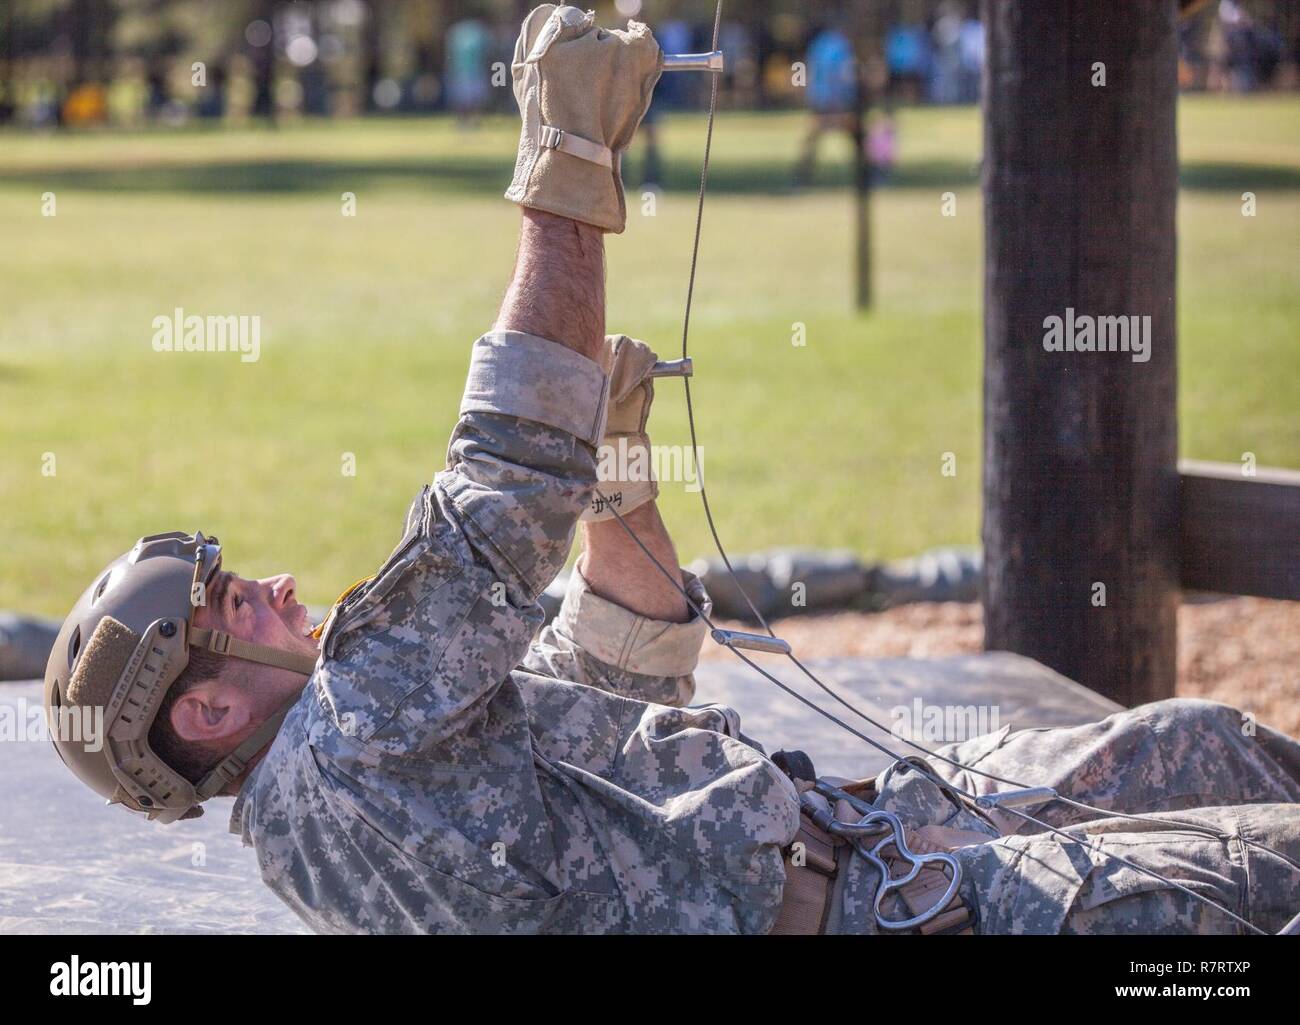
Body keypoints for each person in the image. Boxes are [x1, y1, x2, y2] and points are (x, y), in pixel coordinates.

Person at [44, 5, 1300, 936]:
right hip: (901, 905)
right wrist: (565, 168)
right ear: (205, 712)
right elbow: (502, 476)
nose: (262, 584)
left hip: (888, 849)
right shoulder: (354, 734)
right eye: (226, 609)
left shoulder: (353, 782)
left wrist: (619, 483)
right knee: (1256, 874)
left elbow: (614, 660)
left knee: (1197, 743)